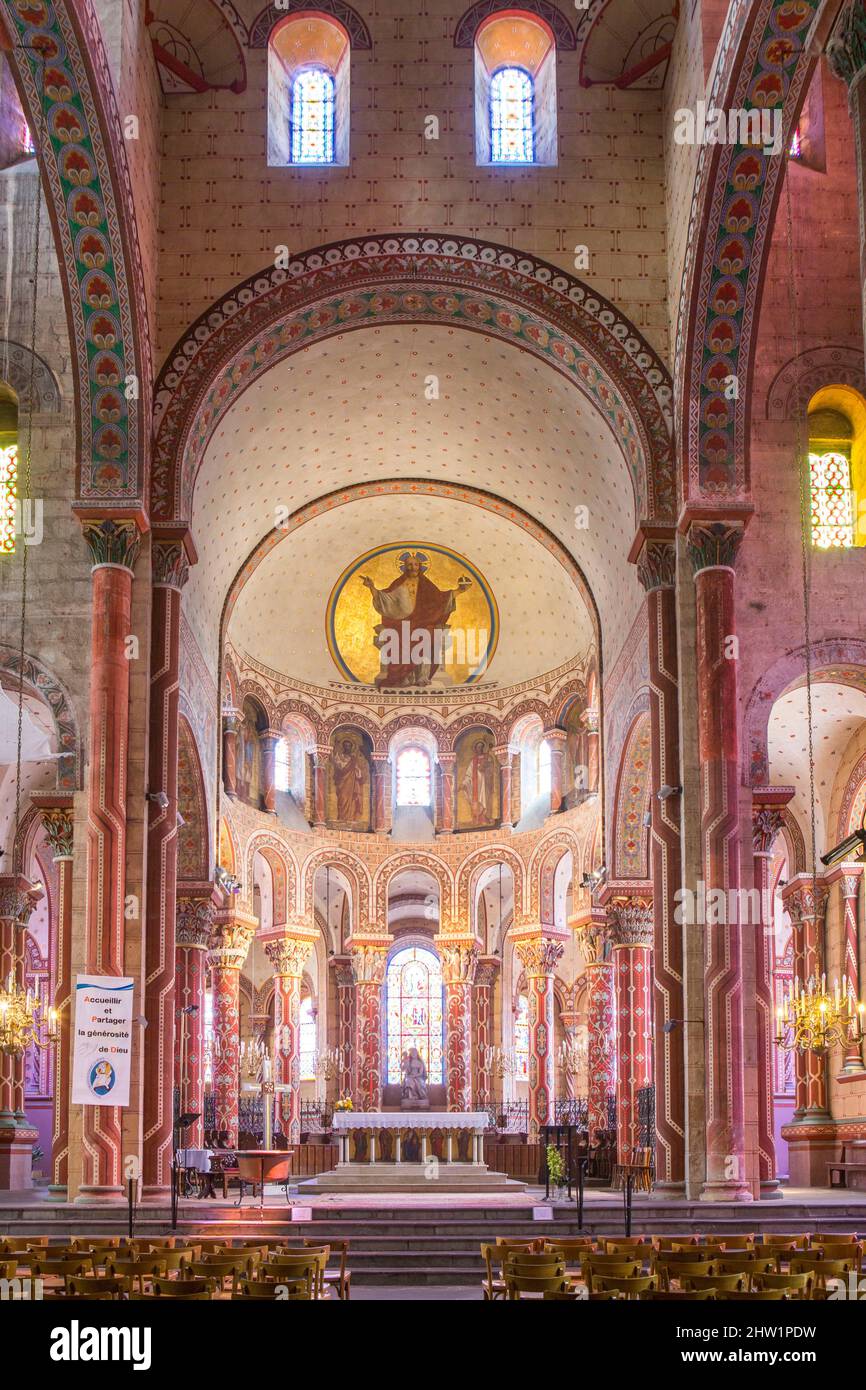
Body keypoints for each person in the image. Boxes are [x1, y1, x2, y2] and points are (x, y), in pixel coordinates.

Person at [361, 551, 471, 687]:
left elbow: (440, 599)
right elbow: (385, 598)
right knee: (399, 639)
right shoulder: (399, 583)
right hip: (402, 623)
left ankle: (422, 676)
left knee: (427, 636)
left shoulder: (426, 584)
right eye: (410, 565)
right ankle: (404, 677)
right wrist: (371, 587)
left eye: (416, 564)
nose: (413, 567)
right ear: (404, 567)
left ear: (420, 566)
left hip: (423, 622)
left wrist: (460, 590)